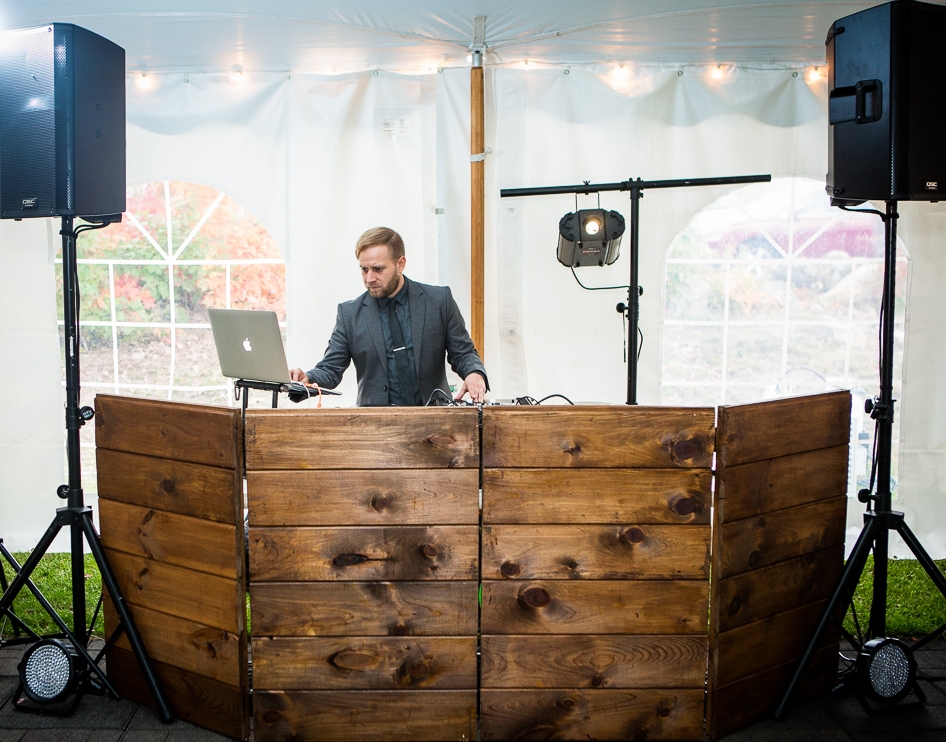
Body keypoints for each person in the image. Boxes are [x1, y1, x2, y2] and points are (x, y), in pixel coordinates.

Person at [290, 226, 488, 406]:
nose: (369, 278)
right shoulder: (349, 314)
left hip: (434, 423)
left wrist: (474, 374)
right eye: (364, 270)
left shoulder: (438, 301)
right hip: (376, 428)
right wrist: (307, 378)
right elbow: (331, 369)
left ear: (400, 264)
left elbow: (463, 353)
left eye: (378, 269)